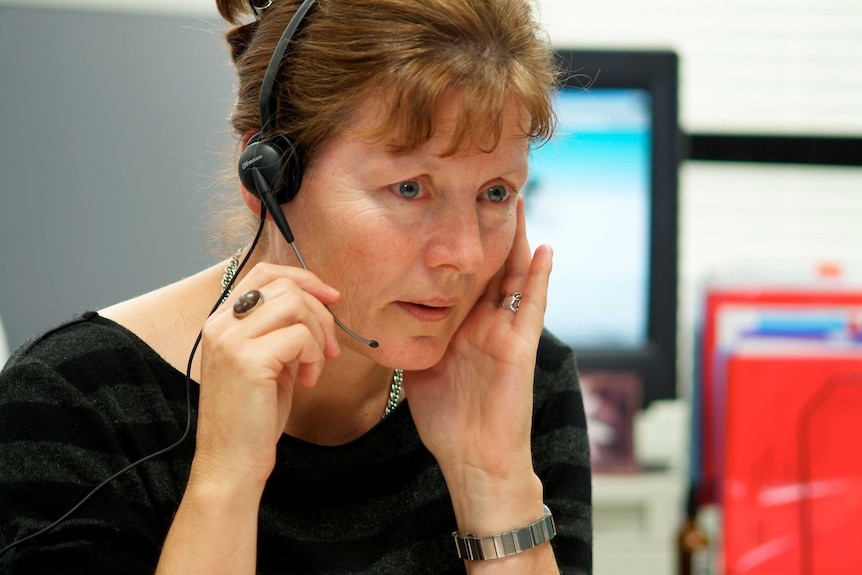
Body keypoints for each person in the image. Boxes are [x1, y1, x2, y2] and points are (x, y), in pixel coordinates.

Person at [0, 0, 592, 572]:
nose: (463, 256)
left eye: (495, 193)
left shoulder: (518, 379)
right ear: (268, 178)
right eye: (410, 188)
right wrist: (226, 478)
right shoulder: (70, 402)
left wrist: (491, 478)